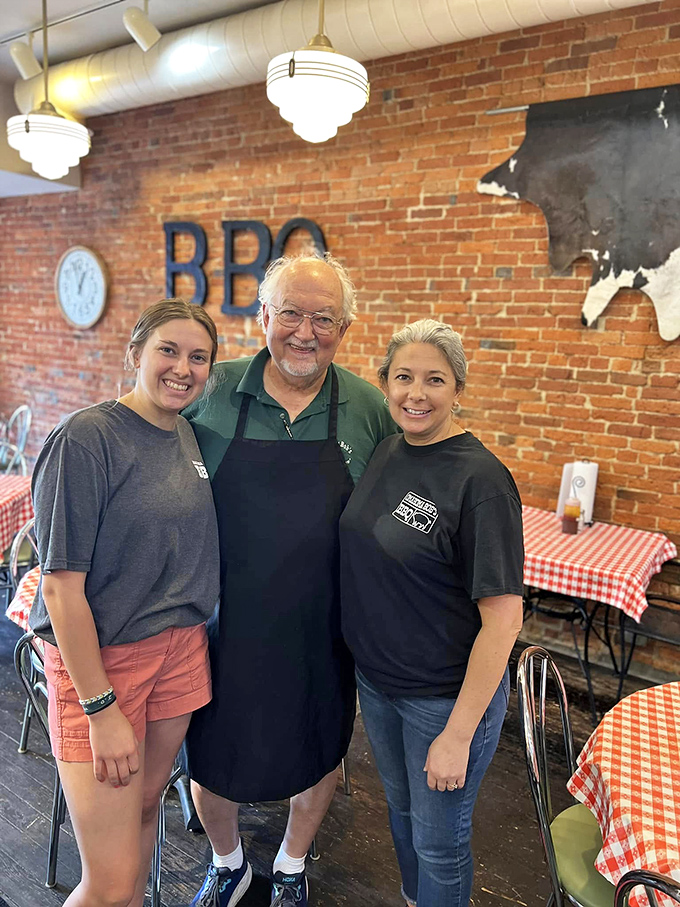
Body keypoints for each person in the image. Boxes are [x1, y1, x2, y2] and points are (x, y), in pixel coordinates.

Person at [183, 252, 396, 907]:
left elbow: (398, 507)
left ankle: (291, 862)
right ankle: (228, 863)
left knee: (319, 747)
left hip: (322, 625)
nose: (306, 332)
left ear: (345, 329)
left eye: (324, 319)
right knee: (210, 753)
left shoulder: (367, 406)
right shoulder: (211, 389)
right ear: (263, 317)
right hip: (222, 624)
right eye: (292, 314)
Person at [29, 299, 221, 907]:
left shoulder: (185, 432)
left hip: (180, 650)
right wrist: (100, 707)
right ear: (135, 353)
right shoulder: (85, 439)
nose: (183, 369)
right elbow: (59, 587)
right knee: (109, 883)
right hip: (104, 662)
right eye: (169, 350)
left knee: (143, 813)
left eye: (198, 357)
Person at [340, 319, 525, 907]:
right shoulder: (388, 450)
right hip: (379, 684)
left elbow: (504, 620)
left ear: (458, 389)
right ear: (385, 383)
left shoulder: (482, 480)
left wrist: (458, 734)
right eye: (403, 377)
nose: (415, 394)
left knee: (439, 843)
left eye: (434, 380)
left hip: (443, 700)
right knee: (400, 815)